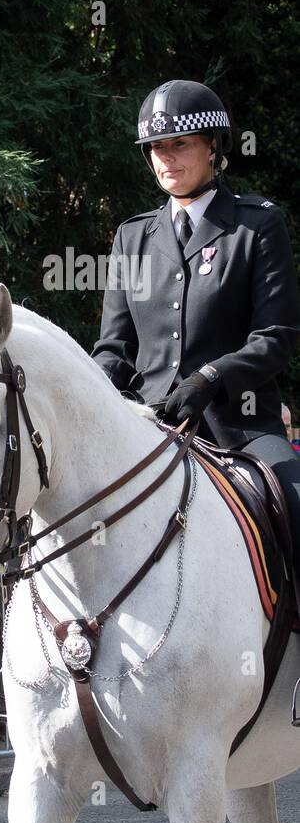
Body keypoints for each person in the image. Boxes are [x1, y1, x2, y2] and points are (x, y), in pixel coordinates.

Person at [92, 78, 300, 584]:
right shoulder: (133, 236)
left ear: (213, 148)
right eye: (156, 149)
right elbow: (114, 349)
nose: (166, 159)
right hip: (146, 425)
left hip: (239, 426)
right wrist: (91, 392)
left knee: (297, 508)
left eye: (179, 144)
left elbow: (276, 336)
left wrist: (211, 377)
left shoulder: (258, 226)